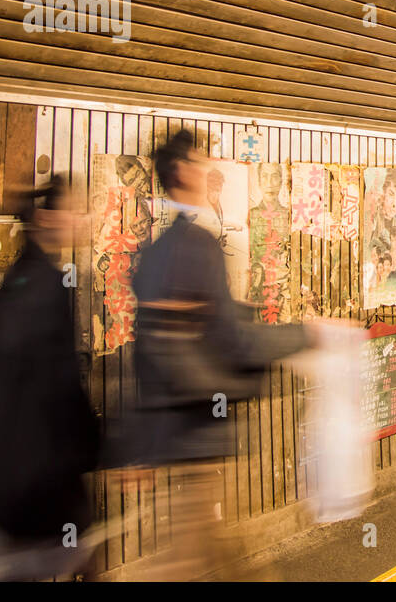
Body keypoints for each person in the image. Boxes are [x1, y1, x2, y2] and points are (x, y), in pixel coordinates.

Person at [120, 130, 335, 578]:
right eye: (200, 161)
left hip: (176, 423)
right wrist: (305, 335)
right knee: (196, 550)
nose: (208, 170)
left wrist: (141, 442)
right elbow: (228, 341)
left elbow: (155, 344)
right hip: (199, 418)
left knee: (204, 542)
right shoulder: (196, 247)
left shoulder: (157, 251)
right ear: (181, 171)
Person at [0, 176, 99, 579]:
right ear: (46, 218)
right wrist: (96, 447)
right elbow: (58, 383)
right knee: (70, 557)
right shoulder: (42, 284)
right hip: (42, 471)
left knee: (62, 558)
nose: (82, 218)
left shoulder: (29, 275)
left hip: (28, 466)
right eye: (74, 209)